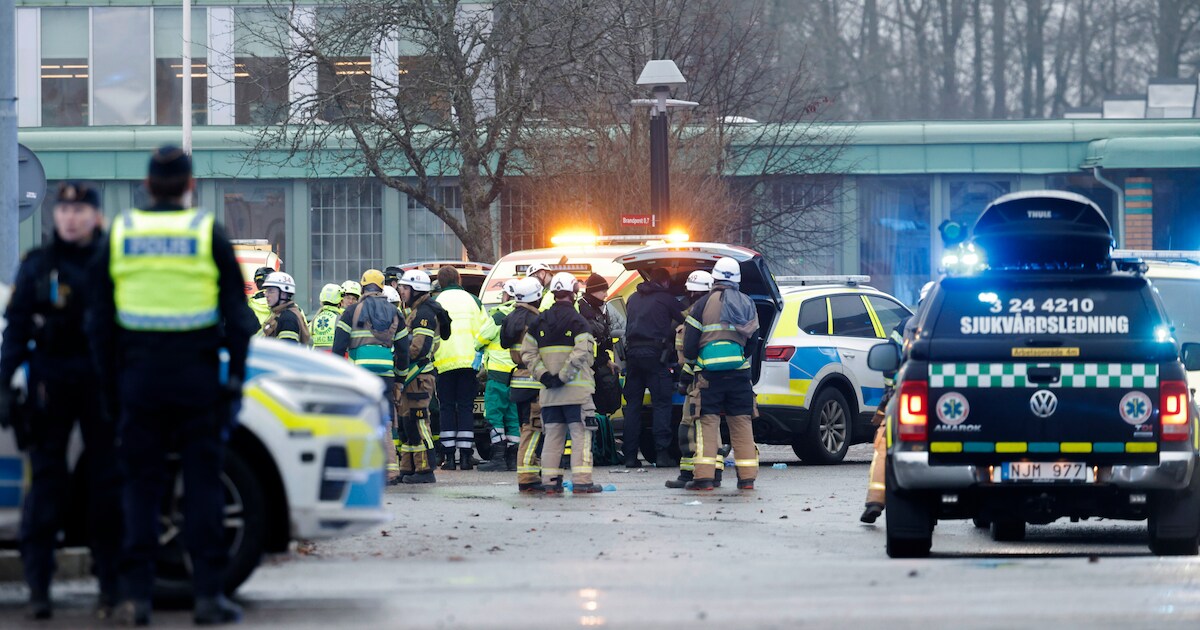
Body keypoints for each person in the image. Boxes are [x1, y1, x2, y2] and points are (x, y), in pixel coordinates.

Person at [88, 146, 257, 625]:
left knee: (140, 487)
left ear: (145, 185)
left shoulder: (121, 233)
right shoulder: (207, 233)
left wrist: (109, 386)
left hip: (138, 381)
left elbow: (99, 322)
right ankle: (207, 597)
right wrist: (235, 381)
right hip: (196, 380)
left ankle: (137, 598)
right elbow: (239, 319)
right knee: (203, 485)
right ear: (189, 186)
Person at [0, 182, 121, 621]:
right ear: (56, 216)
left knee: (107, 490)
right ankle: (39, 590)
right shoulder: (39, 265)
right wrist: (2, 383)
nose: (70, 216)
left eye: (79, 208)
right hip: (50, 384)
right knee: (46, 489)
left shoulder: (113, 263)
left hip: (101, 385)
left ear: (94, 215)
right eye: (64, 208)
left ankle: (110, 588)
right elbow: (15, 329)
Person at [681, 257, 760, 492]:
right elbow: (754, 340)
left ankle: (704, 479)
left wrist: (693, 364)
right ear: (737, 279)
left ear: (714, 277)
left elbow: (690, 342)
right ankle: (747, 479)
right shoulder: (747, 303)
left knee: (707, 424)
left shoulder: (703, 304)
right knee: (742, 425)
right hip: (739, 375)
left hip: (709, 376)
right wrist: (739, 357)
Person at [861, 281, 935, 524]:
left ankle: (875, 500)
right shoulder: (958, 323)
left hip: (907, 399)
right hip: (950, 403)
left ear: (921, 301)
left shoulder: (906, 326)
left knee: (884, 446)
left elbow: (889, 361)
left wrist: (892, 390)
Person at [521, 272, 601, 494]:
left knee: (552, 438)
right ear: (573, 293)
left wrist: (544, 376)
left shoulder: (539, 321)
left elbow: (527, 353)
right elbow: (581, 353)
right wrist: (563, 376)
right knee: (581, 436)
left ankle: (550, 483)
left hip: (550, 394)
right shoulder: (579, 321)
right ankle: (582, 481)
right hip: (577, 394)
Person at [332, 270, 408, 484]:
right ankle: (390, 470)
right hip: (385, 373)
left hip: (359, 373)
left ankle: (363, 468)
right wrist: (400, 379)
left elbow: (338, 347)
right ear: (382, 287)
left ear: (362, 287)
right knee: (385, 420)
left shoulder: (352, 311)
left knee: (360, 417)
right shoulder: (395, 313)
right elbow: (403, 350)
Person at [666, 270, 725, 490]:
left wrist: (684, 377)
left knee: (690, 427)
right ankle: (712, 472)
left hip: (696, 379)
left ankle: (690, 473)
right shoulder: (716, 313)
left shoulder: (695, 317)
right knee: (709, 427)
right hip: (710, 378)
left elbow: (689, 351)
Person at [621, 267, 685, 468]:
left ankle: (630, 456)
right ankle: (662, 454)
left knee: (633, 406)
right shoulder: (666, 298)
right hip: (656, 356)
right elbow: (686, 320)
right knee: (661, 404)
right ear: (665, 282)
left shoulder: (632, 298)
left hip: (632, 355)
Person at [397, 270, 450, 483]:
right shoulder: (417, 310)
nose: (401, 291)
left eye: (405, 288)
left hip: (419, 375)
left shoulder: (424, 314)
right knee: (408, 422)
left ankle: (426, 469)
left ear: (416, 290)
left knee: (419, 422)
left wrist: (398, 357)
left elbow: (418, 348)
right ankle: (409, 468)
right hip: (414, 375)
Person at [432, 266, 486, 470]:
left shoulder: (437, 302)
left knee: (446, 407)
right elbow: (485, 331)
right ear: (459, 280)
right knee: (465, 407)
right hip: (469, 363)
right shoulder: (473, 301)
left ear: (440, 282)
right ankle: (465, 457)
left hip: (444, 363)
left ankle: (448, 458)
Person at [500, 278, 547, 492]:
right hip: (535, 380)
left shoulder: (510, 318)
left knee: (525, 427)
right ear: (537, 297)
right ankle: (528, 476)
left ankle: (532, 471)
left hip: (518, 380)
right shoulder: (537, 320)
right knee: (533, 429)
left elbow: (504, 343)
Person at [476, 280, 520, 471]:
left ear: (508, 296)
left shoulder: (499, 315)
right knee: (512, 416)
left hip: (498, 374)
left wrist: (479, 349)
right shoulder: (523, 315)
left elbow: (481, 338)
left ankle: (498, 458)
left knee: (494, 415)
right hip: (518, 374)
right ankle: (513, 459)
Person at [260, 272, 310, 345]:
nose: (266, 295)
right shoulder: (278, 314)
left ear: (283, 293)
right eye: (266, 291)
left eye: (271, 291)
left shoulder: (288, 319)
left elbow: (287, 351)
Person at [309, 283, 344, 351]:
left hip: (316, 357)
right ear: (339, 300)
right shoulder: (340, 318)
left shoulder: (314, 320)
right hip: (334, 358)